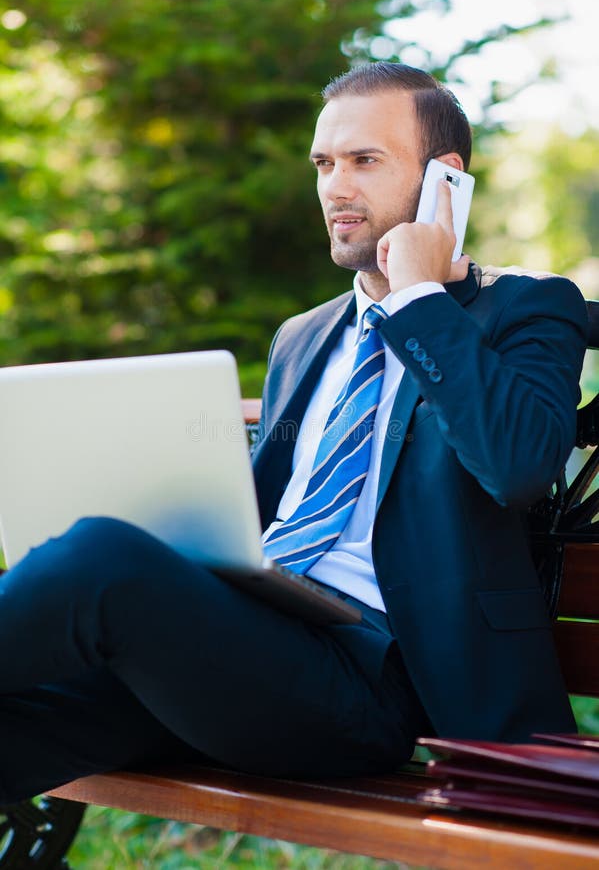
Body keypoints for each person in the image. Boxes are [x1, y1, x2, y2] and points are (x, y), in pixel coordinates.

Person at [0, 62, 588, 805]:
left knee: (102, 555)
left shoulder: (528, 309)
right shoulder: (303, 337)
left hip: (377, 685)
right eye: (323, 163)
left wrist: (414, 295)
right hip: (249, 647)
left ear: (446, 178)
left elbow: (518, 465)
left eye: (364, 161)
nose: (335, 188)